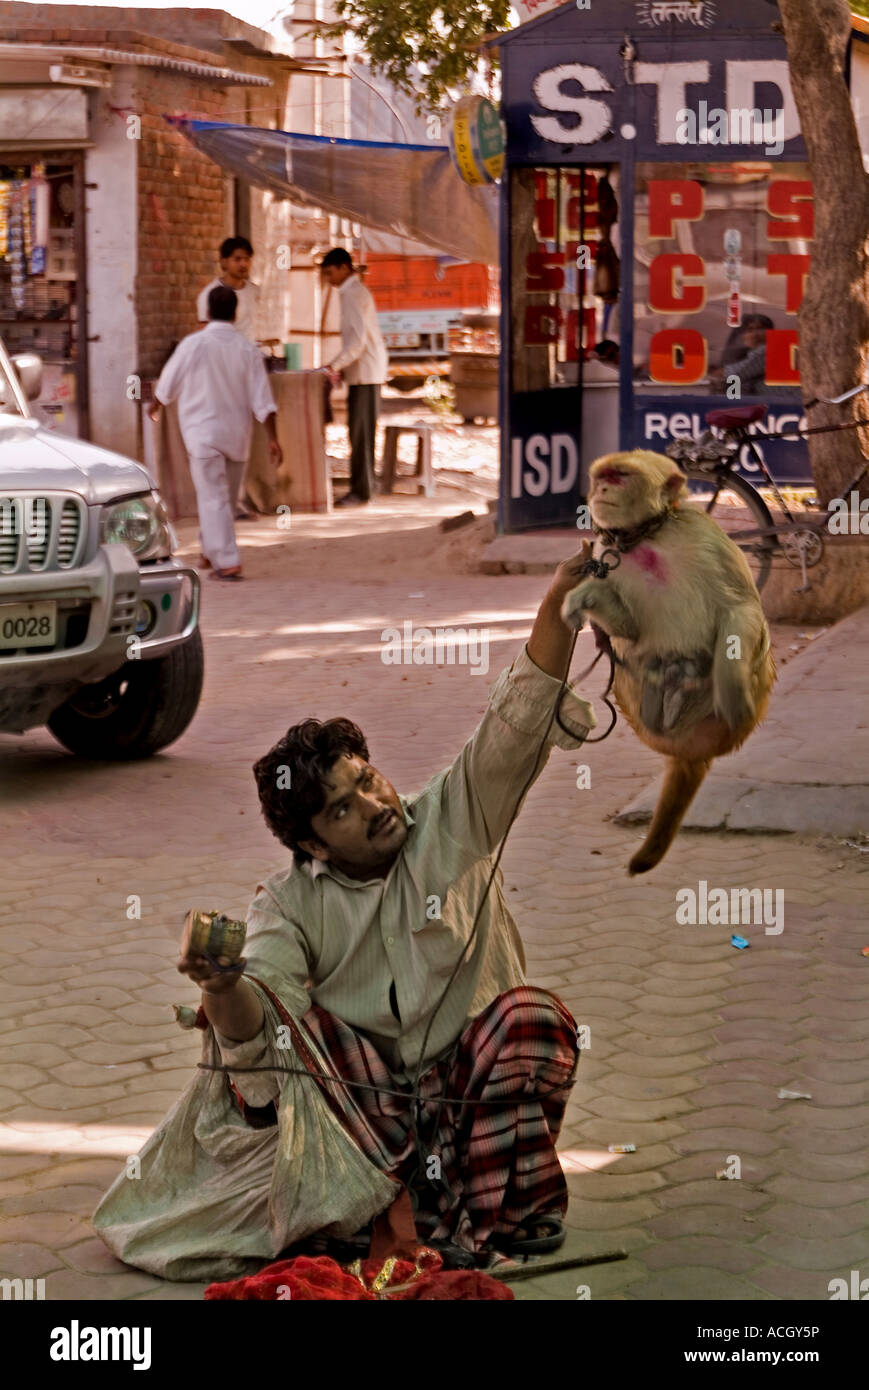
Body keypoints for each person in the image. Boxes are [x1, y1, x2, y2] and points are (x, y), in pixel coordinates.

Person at [92, 550, 598, 1278]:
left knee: (532, 1021)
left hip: (468, 1098)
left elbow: (513, 725)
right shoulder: (288, 904)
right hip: (370, 1125)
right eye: (341, 808)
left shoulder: (449, 820)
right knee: (308, 1034)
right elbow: (259, 1039)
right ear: (311, 843)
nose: (373, 807)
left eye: (367, 781)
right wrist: (220, 986)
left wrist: (557, 605)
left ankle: (500, 1213)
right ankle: (401, 1212)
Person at [150, 286, 282, 582]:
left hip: (202, 436)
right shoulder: (248, 349)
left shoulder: (193, 344)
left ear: (206, 312)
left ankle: (228, 561)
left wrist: (156, 404)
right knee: (221, 499)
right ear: (236, 313)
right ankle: (211, 552)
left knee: (213, 498)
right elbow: (264, 400)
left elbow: (168, 380)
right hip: (237, 438)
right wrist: (273, 438)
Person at [320, 247, 389, 507]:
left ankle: (361, 492)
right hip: (365, 372)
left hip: (365, 372)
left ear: (343, 268)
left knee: (360, 434)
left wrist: (334, 366)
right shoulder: (353, 291)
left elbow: (357, 342)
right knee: (362, 433)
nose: (329, 279)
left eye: (330, 273)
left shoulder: (352, 293)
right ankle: (365, 487)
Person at [197, 236, 260, 344]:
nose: (243, 264)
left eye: (247, 259)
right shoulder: (210, 294)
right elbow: (206, 334)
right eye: (237, 259)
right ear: (224, 262)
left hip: (249, 356)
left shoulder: (254, 291)